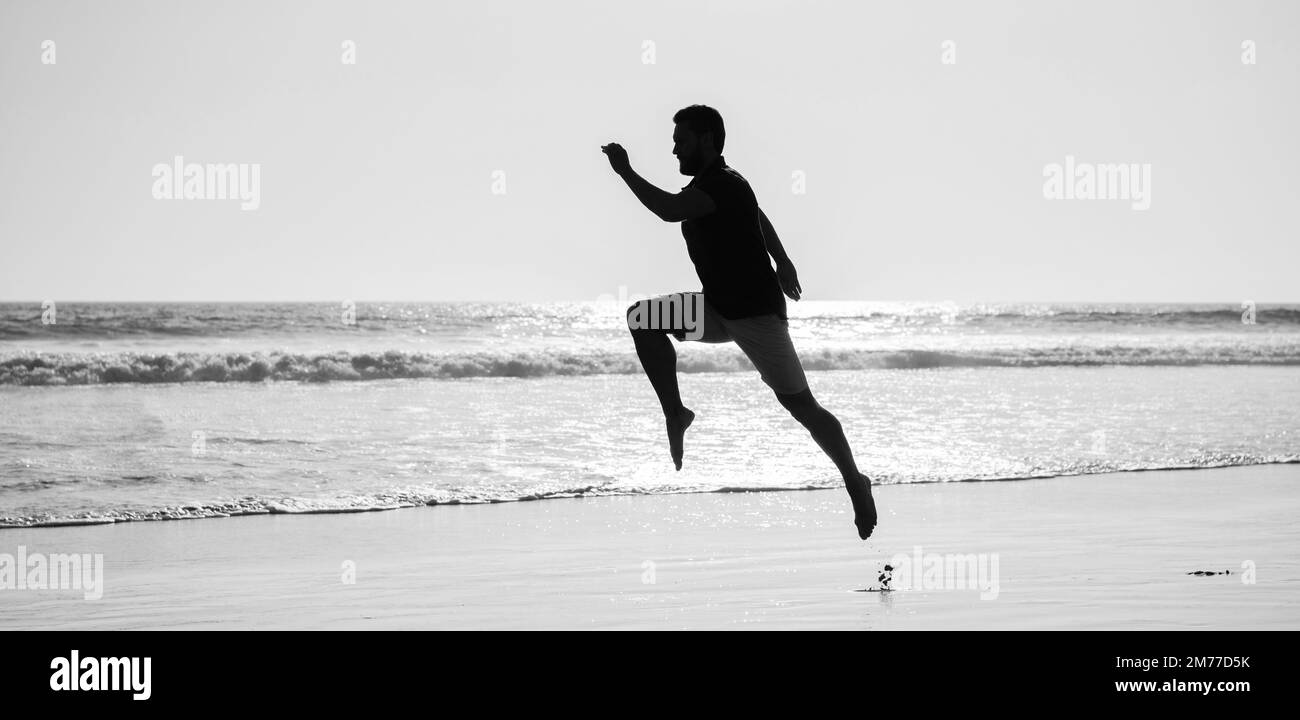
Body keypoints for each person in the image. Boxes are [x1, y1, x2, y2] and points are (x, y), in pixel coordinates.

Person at [601, 104, 877, 540]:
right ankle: (676, 413)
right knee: (643, 318)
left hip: (755, 314)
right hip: (718, 309)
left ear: (707, 139)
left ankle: (853, 480)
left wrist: (625, 171)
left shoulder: (724, 184)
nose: (674, 149)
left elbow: (670, 210)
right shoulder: (715, 186)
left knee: (801, 407)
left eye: (681, 140)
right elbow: (759, 217)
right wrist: (782, 259)